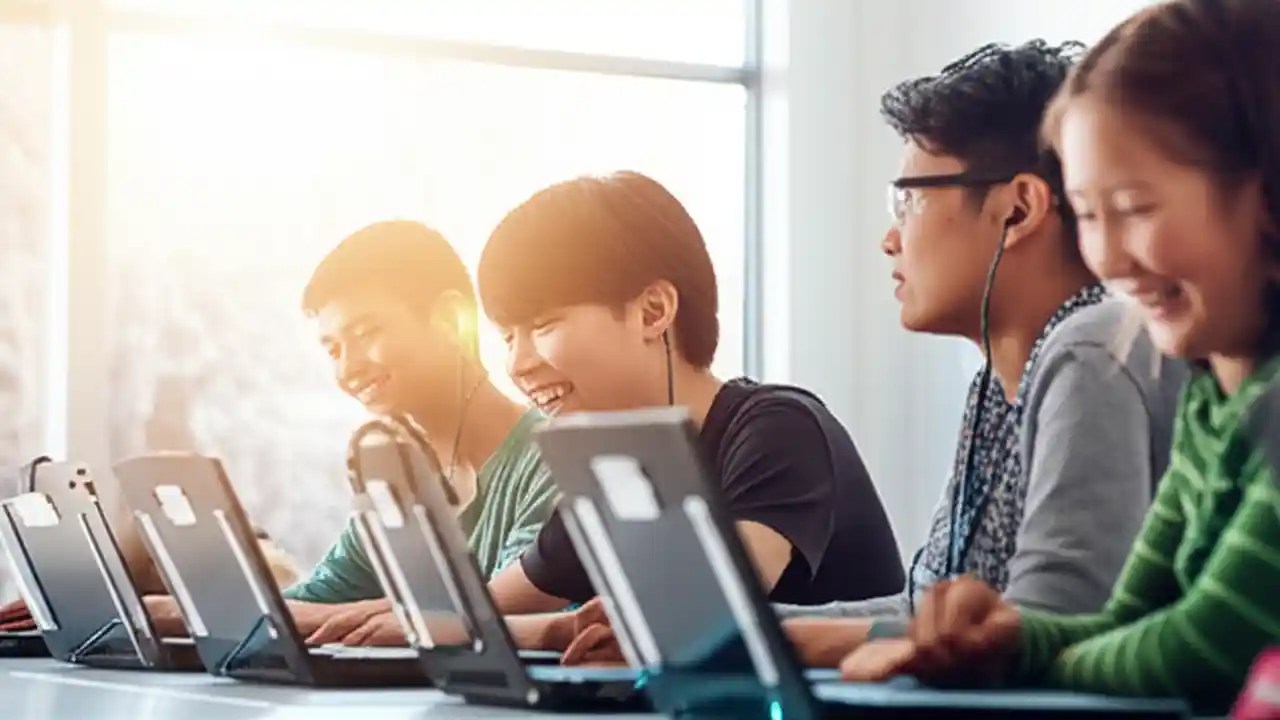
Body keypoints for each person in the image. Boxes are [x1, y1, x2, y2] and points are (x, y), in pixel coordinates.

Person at [841, 1, 1280, 714]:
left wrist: (1013, 654)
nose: (1106, 256)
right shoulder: (1210, 400)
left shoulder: (1120, 355)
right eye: (1088, 212)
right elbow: (1122, 621)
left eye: (1135, 208)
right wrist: (1000, 642)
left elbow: (1201, 647)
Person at [329, 171, 905, 648]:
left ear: (653, 311)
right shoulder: (616, 470)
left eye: (543, 326)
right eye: (507, 336)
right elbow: (477, 605)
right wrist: (366, 622)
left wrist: (530, 630)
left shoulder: (779, 429)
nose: (519, 363)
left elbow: (694, 618)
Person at [777, 41, 1187, 668]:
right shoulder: (997, 388)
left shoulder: (1091, 353)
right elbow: (924, 610)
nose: (891, 238)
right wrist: (736, 628)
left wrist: (765, 645)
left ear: (1017, 209)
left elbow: (1049, 619)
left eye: (908, 200)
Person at [283, 220, 559, 641]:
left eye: (366, 333)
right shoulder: (397, 489)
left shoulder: (554, 460)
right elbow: (307, 602)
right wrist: (160, 610)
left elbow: (491, 611)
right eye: (334, 349)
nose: (348, 368)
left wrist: (385, 614)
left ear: (450, 318)